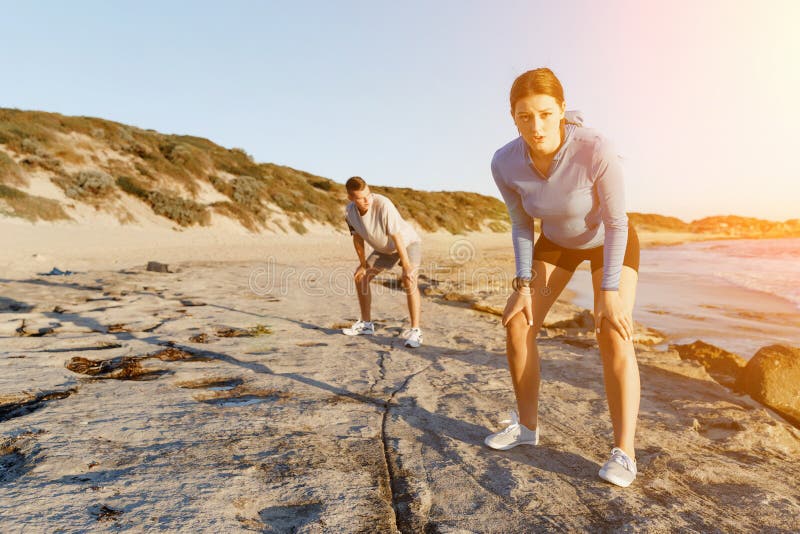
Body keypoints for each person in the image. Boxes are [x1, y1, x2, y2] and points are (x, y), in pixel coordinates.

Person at [487, 68, 642, 487]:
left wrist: (608, 292)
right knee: (518, 322)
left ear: (560, 110)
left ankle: (624, 452)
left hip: (607, 240)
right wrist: (522, 285)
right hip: (556, 242)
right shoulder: (504, 162)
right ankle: (527, 429)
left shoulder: (595, 148)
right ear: (512, 116)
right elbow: (522, 226)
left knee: (612, 327)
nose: (535, 126)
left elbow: (616, 224)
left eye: (544, 113)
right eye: (524, 117)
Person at [341, 176, 424, 348]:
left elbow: (397, 236)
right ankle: (366, 325)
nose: (367, 200)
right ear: (351, 198)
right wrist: (363, 264)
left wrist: (406, 266)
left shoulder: (383, 204)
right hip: (384, 249)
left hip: (407, 243)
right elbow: (357, 239)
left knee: (409, 279)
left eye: (368, 195)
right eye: (361, 198)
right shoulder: (349, 212)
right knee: (360, 277)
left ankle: (415, 331)